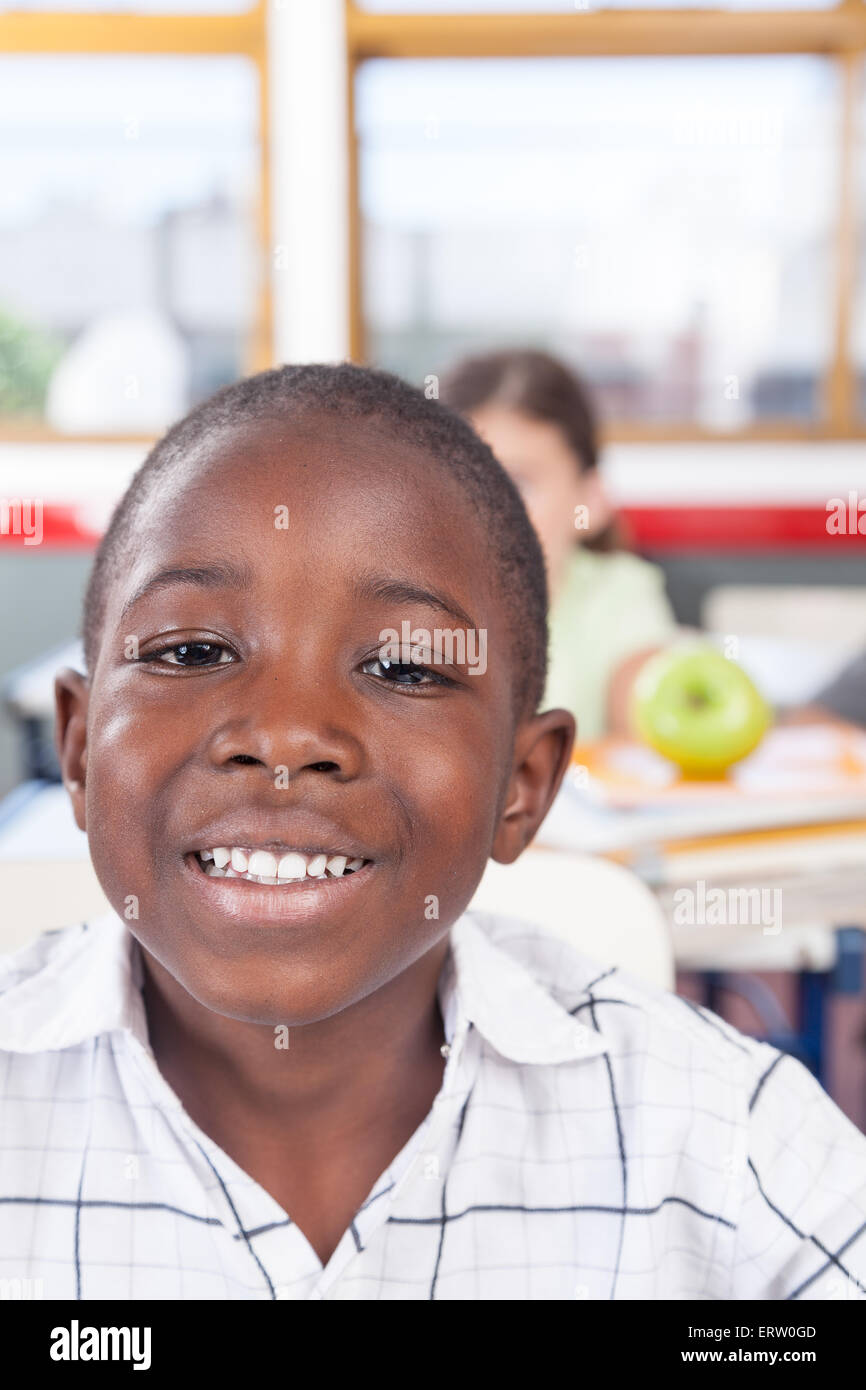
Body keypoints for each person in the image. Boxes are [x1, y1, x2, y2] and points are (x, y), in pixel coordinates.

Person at [0, 362, 864, 1301]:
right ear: (78, 750)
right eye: (194, 650)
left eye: (406, 669)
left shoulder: (727, 1147)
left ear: (521, 787)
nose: (285, 737)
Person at [440, 348, 677, 740]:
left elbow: (643, 722)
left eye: (519, 483)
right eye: (462, 482)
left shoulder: (619, 593)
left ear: (591, 500)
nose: (486, 509)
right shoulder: (409, 603)